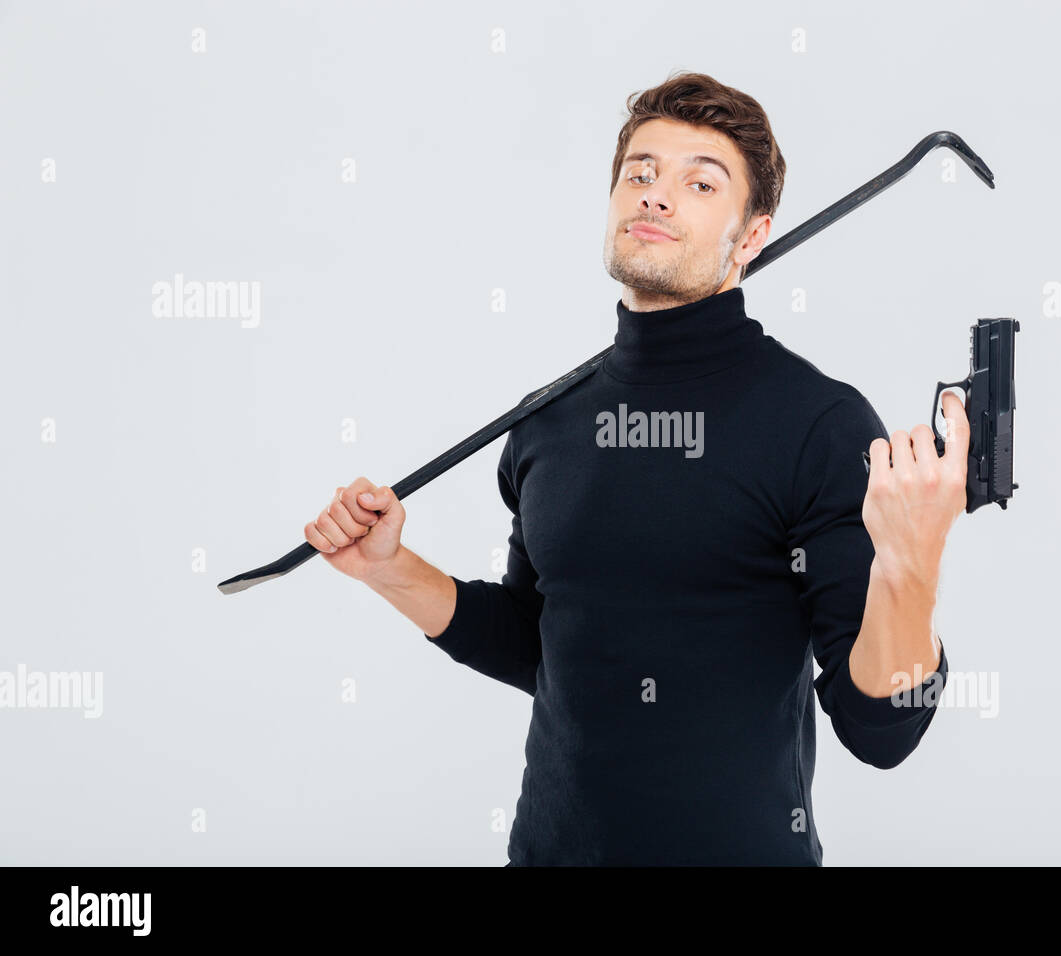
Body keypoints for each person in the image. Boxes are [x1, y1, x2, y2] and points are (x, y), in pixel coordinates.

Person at [304, 71, 967, 865]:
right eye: (641, 173)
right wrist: (390, 568)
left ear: (751, 236)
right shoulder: (544, 423)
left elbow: (883, 730)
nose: (655, 196)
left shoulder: (817, 424)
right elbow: (539, 647)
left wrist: (912, 564)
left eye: (700, 182)